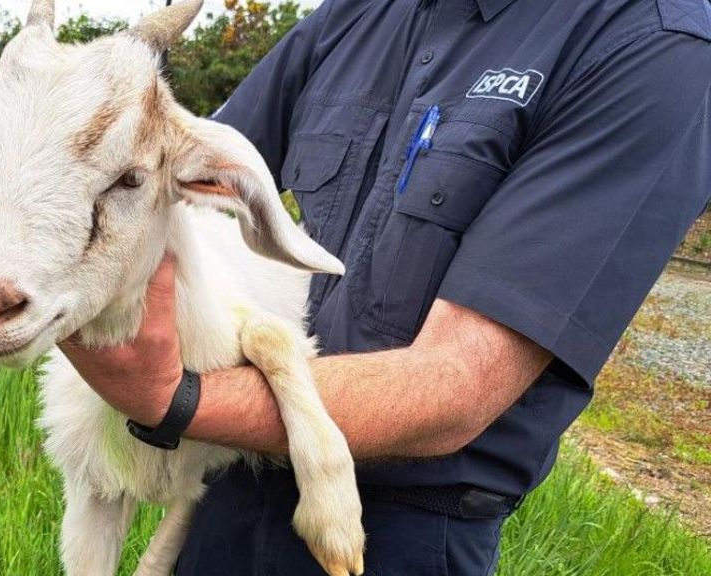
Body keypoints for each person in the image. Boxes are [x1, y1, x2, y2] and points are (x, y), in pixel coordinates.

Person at [58, 0, 711, 574]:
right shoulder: (355, 15)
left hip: (401, 535)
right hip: (228, 483)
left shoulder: (651, 44)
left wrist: (175, 397)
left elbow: (457, 384)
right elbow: (168, 185)